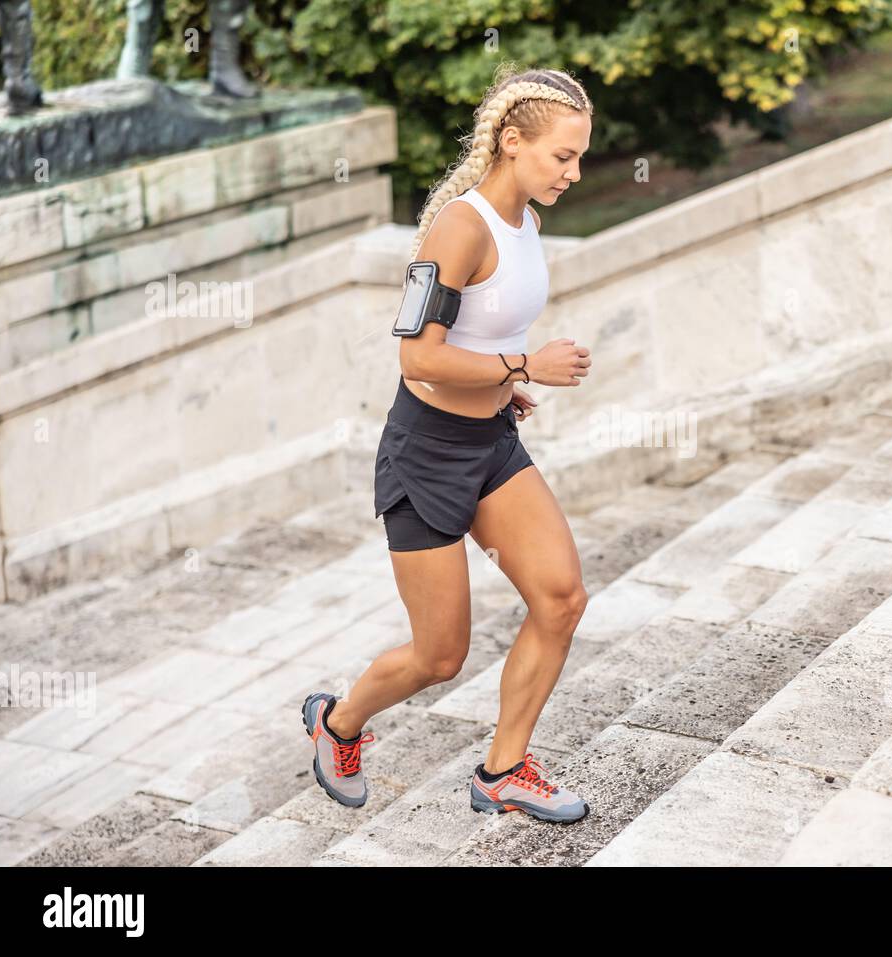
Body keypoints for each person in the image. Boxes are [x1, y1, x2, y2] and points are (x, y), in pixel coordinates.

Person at [302, 65, 595, 825]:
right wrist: (526, 364)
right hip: (425, 451)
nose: (575, 171)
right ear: (510, 140)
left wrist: (502, 385)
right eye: (562, 156)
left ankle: (503, 770)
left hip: (490, 440)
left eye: (579, 156)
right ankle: (336, 723)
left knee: (561, 598)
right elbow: (417, 357)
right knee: (440, 656)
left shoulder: (527, 218)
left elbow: (483, 332)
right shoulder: (458, 229)